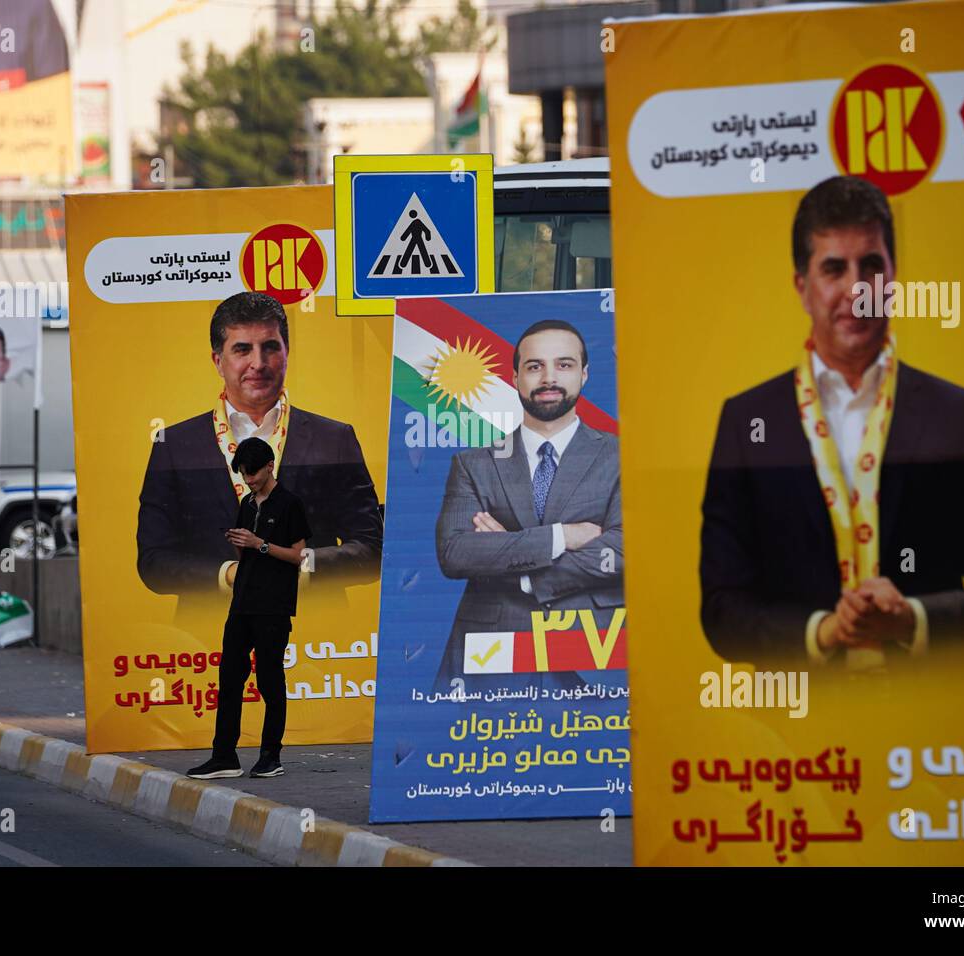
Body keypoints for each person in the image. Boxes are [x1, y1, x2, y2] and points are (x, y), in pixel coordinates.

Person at [699, 175, 964, 679]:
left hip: (939, 736)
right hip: (800, 745)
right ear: (802, 287)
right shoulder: (748, 420)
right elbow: (722, 613)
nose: (857, 290)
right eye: (834, 269)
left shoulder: (955, 412)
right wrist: (824, 632)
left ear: (894, 277)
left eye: (871, 266)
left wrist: (913, 620)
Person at [136, 292, 383, 628]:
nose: (259, 363)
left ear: (287, 353)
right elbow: (153, 562)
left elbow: (372, 550)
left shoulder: (334, 437)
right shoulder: (175, 445)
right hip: (207, 637)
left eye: (270, 347)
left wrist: (302, 565)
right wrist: (231, 574)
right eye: (242, 349)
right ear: (217, 361)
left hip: (321, 635)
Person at [433, 319, 624, 689]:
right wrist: (561, 536)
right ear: (515, 377)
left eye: (564, 365)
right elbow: (456, 552)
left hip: (594, 649)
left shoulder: (623, 456)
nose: (548, 377)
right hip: (489, 653)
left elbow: (624, 549)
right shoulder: (474, 464)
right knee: (478, 744)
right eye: (535, 366)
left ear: (584, 374)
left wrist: (517, 566)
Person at [188, 438, 309, 780]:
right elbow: (246, 555)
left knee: (270, 680)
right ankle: (224, 755)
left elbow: (299, 556)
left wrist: (260, 545)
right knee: (229, 679)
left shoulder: (290, 504)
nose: (249, 479)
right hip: (242, 603)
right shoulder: (246, 503)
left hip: (274, 606)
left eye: (253, 473)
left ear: (270, 465)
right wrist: (243, 545)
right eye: (243, 473)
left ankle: (271, 754)